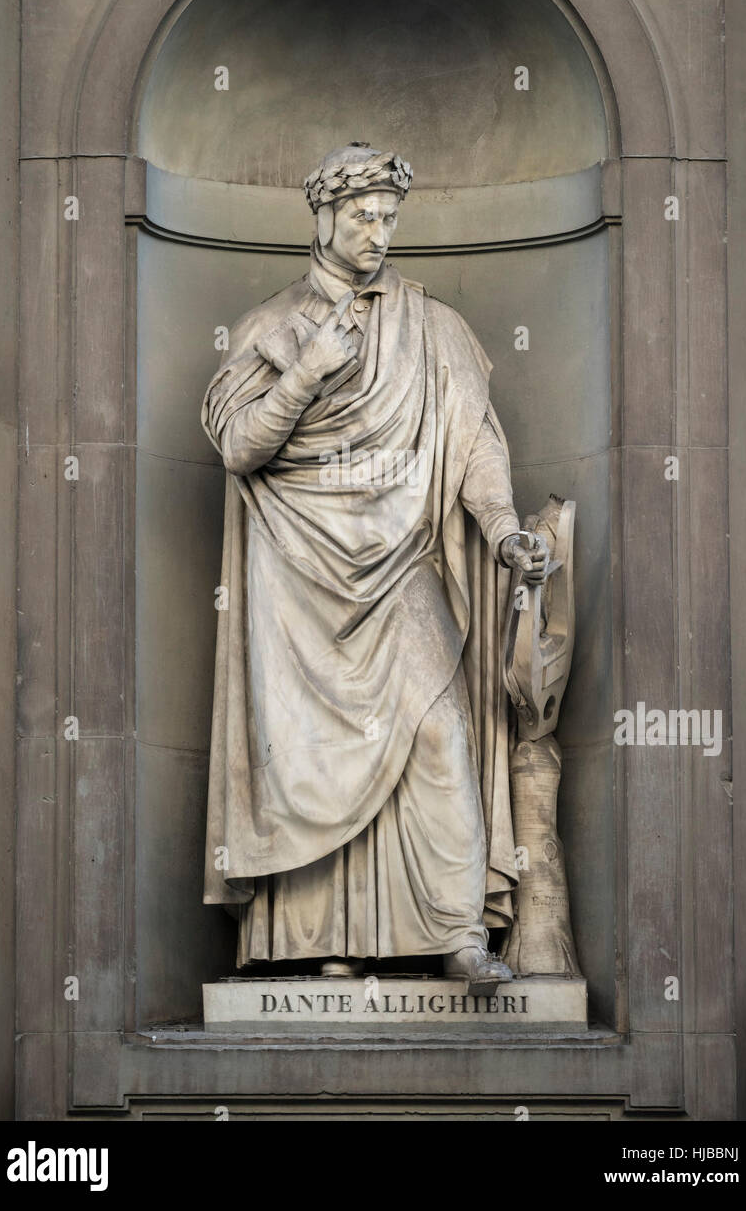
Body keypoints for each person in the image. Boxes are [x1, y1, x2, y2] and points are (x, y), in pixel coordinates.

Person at [202, 142, 546, 987]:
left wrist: (503, 531)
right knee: (312, 751)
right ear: (323, 218)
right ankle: (324, 940)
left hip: (402, 567)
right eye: (363, 216)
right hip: (300, 577)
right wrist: (303, 379)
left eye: (389, 218)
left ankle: (459, 932)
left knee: (439, 734)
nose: (379, 233)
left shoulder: (435, 328)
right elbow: (239, 448)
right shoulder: (272, 326)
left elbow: (474, 445)